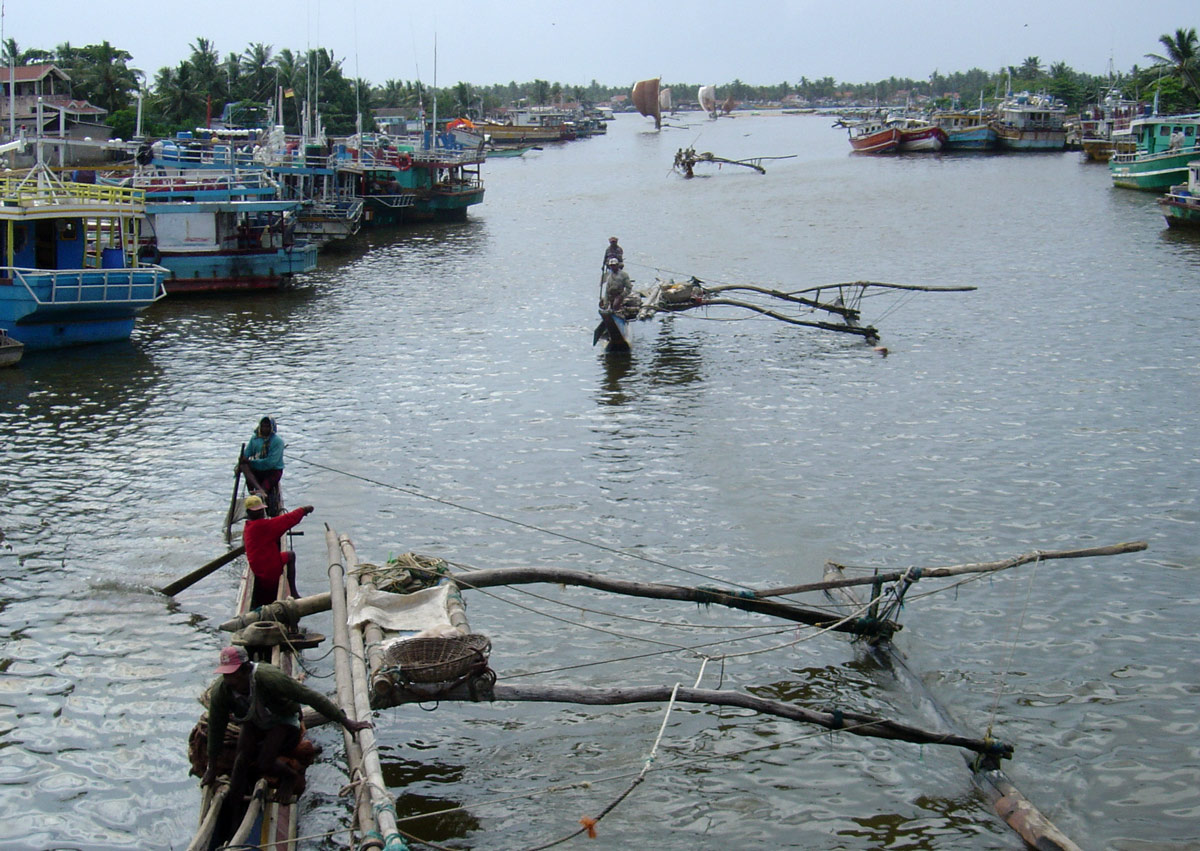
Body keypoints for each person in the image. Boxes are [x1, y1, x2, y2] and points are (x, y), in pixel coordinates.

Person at [201, 645, 373, 808]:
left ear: (245, 670)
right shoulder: (222, 690)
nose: (229, 680)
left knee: (264, 762)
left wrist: (345, 721)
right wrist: (212, 767)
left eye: (233, 675)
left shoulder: (269, 678)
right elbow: (216, 728)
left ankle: (289, 777)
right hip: (254, 722)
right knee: (240, 761)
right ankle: (234, 808)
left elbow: (309, 696)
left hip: (282, 721)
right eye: (226, 675)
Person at [243, 496, 311, 608]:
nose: (261, 513)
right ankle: (293, 593)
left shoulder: (248, 526)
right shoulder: (263, 526)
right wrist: (303, 510)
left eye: (260, 511)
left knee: (287, 555)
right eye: (259, 511)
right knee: (291, 555)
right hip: (269, 571)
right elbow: (287, 520)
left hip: (258, 569)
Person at [241, 417, 284, 509]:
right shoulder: (255, 439)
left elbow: (270, 463)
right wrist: (243, 459)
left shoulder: (278, 442)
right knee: (243, 465)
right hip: (258, 469)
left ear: (272, 428)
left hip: (272, 470)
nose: (265, 429)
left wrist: (251, 462)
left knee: (267, 485)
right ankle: (258, 489)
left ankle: (263, 493)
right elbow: (247, 453)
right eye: (263, 426)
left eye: (267, 427)